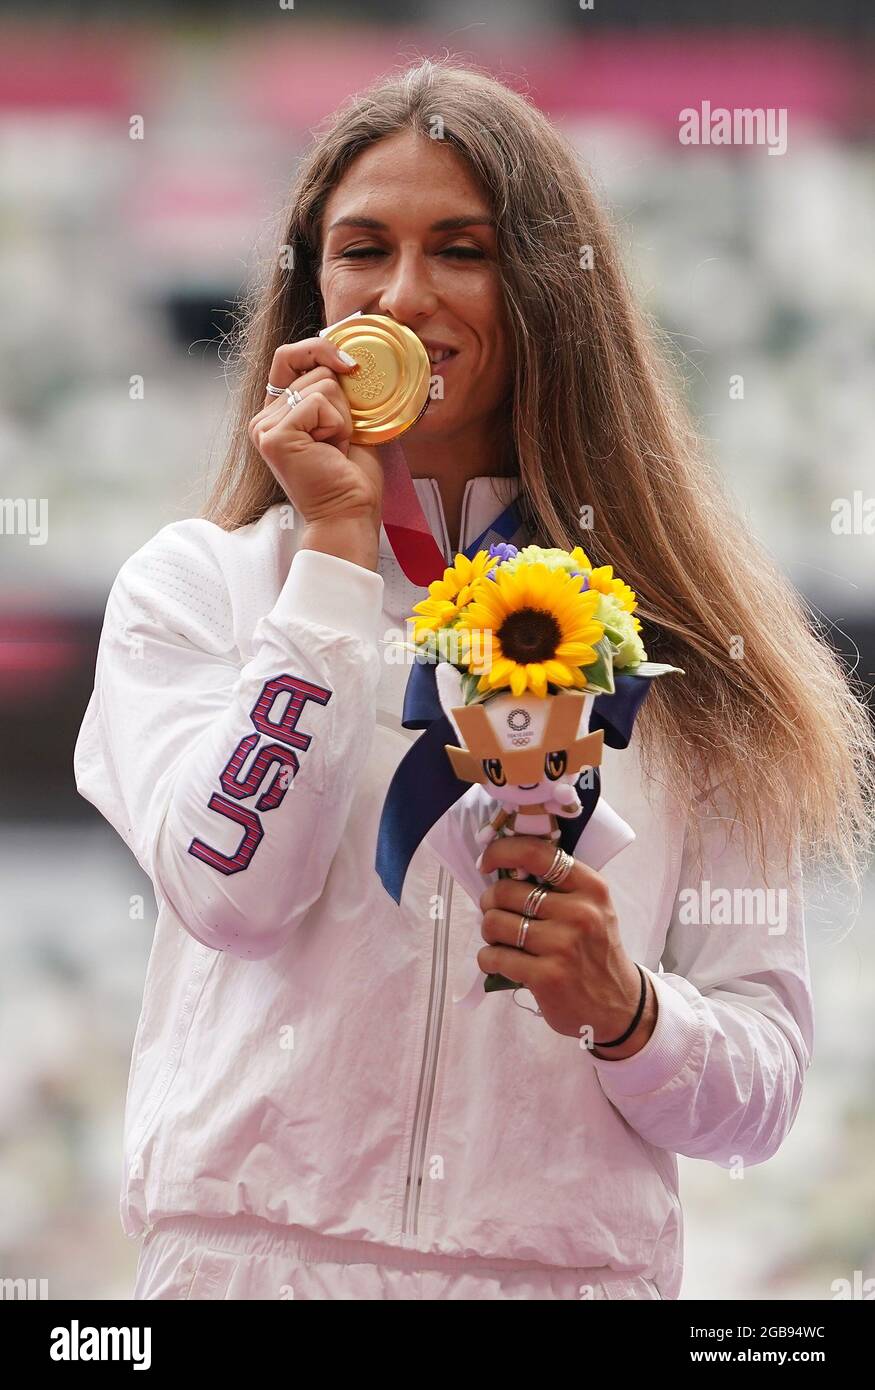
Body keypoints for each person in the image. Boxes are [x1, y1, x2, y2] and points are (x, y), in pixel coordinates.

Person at [73, 59, 874, 1301]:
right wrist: (333, 563)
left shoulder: (682, 645)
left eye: (462, 249)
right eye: (360, 250)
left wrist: (628, 1011)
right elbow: (228, 889)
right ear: (312, 289)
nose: (401, 294)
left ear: (549, 290)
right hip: (246, 1274)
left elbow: (757, 1094)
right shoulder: (196, 591)